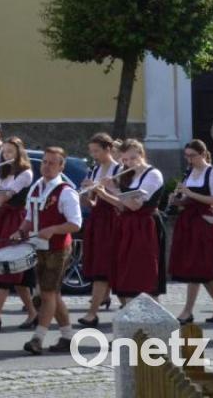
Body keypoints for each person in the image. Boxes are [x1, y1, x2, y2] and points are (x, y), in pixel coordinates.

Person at [13, 147, 82, 355]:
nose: (47, 166)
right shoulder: (36, 187)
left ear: (61, 166)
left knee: (47, 293)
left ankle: (38, 338)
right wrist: (20, 231)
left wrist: (54, 229)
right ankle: (68, 336)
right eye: (44, 162)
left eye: (52, 163)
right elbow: (28, 216)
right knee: (52, 293)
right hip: (38, 247)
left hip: (58, 248)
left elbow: (76, 224)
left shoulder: (66, 191)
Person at [167, 140, 213, 324]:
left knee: (196, 266)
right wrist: (177, 200)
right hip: (188, 221)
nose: (189, 159)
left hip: (204, 222)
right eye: (186, 156)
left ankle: (187, 311)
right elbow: (187, 200)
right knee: (200, 268)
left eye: (192, 155)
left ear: (202, 154)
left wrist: (190, 193)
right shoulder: (190, 172)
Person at [98, 139, 167, 303]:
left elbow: (135, 206)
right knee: (127, 273)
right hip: (128, 226)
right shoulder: (127, 174)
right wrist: (103, 193)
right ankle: (133, 316)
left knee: (145, 272)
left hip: (146, 227)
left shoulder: (153, 175)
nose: (129, 163)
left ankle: (155, 316)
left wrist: (113, 189)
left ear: (142, 155)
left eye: (133, 158)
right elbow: (122, 207)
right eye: (125, 160)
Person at [0, 138, 38, 331]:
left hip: (15, 221)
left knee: (6, 270)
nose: (7, 156)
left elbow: (3, 197)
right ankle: (33, 313)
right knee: (18, 276)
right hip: (1, 220)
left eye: (10, 152)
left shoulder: (26, 173)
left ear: (19, 153)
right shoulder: (4, 172)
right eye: (4, 152)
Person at [76, 133, 120, 328]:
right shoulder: (95, 170)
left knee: (108, 265)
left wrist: (106, 190)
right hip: (98, 219)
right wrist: (85, 194)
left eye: (97, 151)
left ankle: (92, 313)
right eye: (91, 151)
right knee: (98, 265)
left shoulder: (119, 169)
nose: (94, 155)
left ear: (108, 149)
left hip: (114, 219)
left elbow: (122, 199)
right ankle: (94, 309)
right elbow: (92, 202)